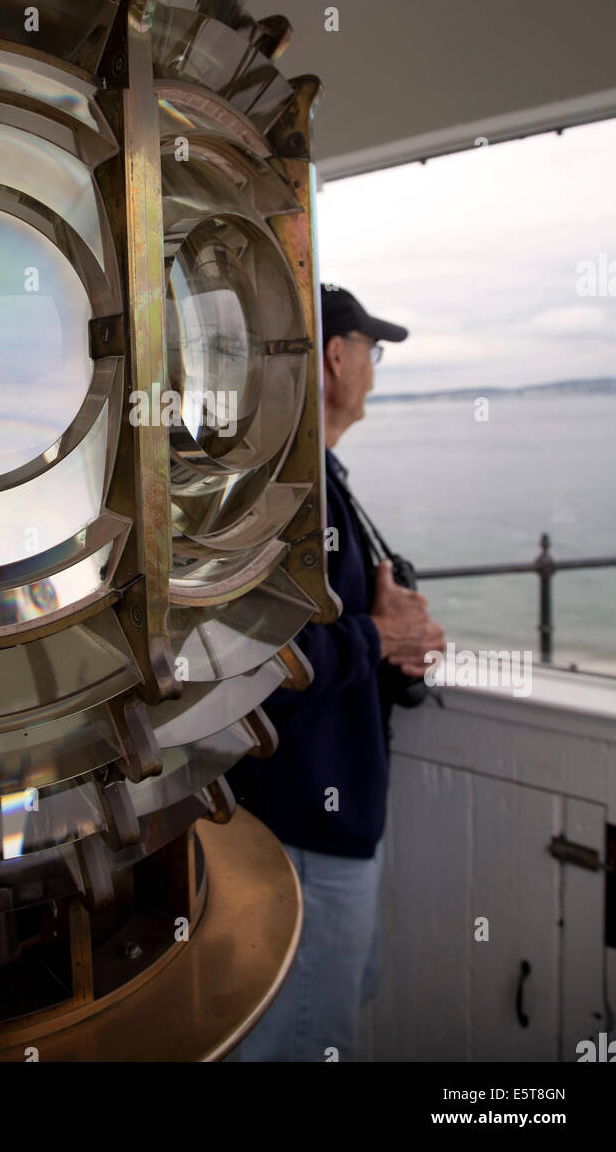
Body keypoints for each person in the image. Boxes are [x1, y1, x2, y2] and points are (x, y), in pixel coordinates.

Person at [226, 285, 446, 1063]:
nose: (375, 371)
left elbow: (323, 638)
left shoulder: (312, 478)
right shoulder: (295, 495)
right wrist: (379, 635)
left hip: (326, 820)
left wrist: (391, 647)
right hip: (308, 830)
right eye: (372, 352)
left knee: (336, 1004)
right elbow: (257, 660)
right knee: (312, 1038)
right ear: (335, 358)